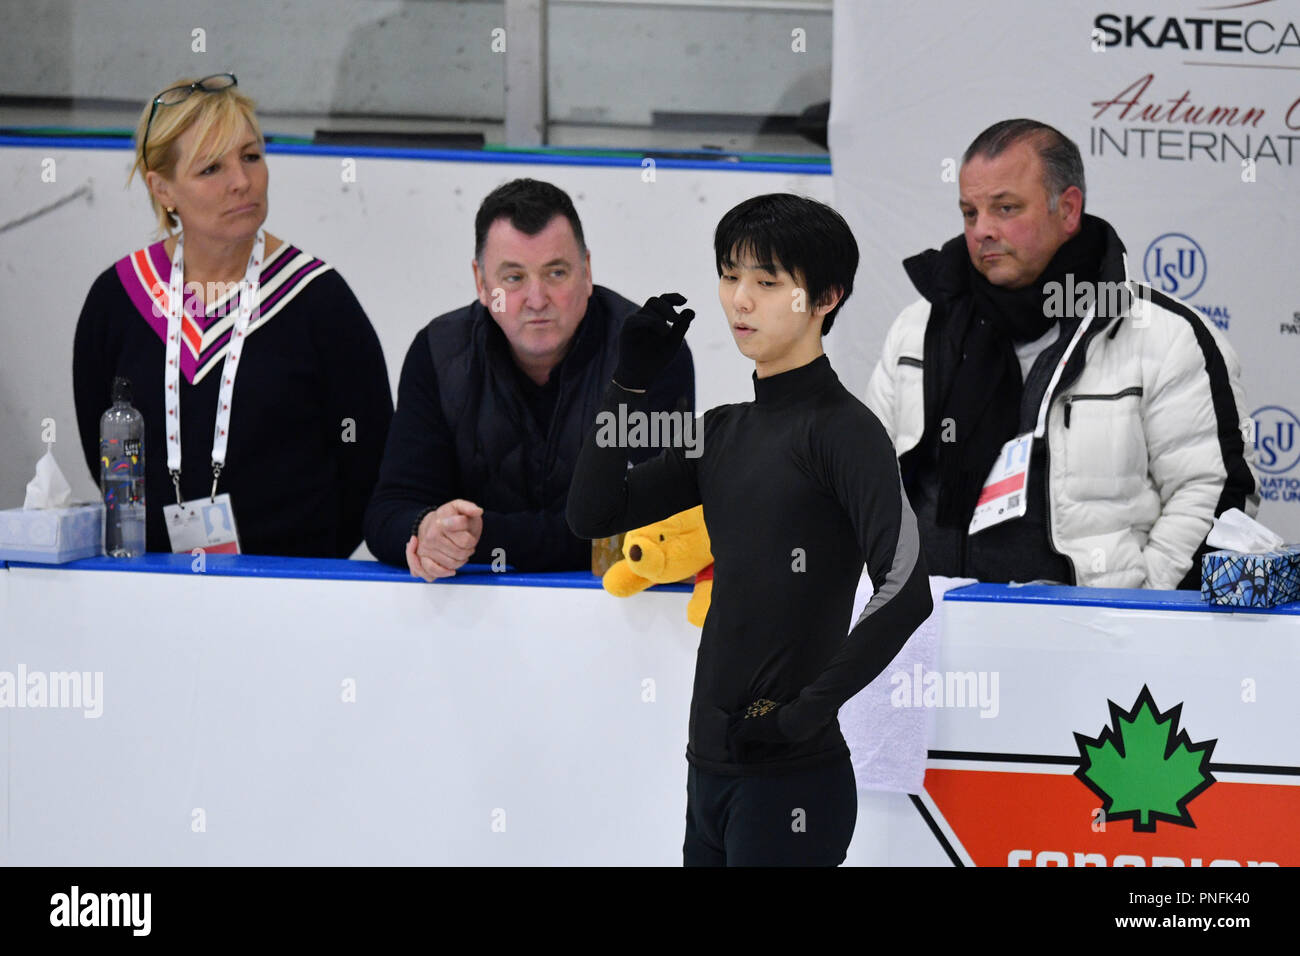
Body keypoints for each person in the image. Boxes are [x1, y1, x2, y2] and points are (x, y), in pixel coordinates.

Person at [567, 194, 932, 866]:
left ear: (824, 297)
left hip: (792, 785)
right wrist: (627, 383)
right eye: (731, 276)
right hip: (709, 774)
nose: (741, 300)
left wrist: (800, 716)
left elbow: (907, 590)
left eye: (767, 283)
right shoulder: (723, 431)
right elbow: (592, 515)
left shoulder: (846, 433)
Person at [864, 119, 1259, 590]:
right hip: (929, 629)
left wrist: (1134, 612)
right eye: (970, 213)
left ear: (1067, 210)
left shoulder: (1164, 335)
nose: (982, 230)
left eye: (1005, 208)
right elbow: (870, 479)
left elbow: (1214, 491)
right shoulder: (919, 328)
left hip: (1091, 639)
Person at [73, 74, 392, 557]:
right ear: (163, 188)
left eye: (251, 156)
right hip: (150, 582)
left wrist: (302, 568)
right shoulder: (117, 299)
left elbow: (368, 460)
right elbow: (107, 456)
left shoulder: (319, 300)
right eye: (210, 169)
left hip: (291, 591)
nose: (242, 182)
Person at [364, 178, 694, 577]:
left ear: (586, 271)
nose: (537, 300)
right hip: (469, 619)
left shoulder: (653, 354)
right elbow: (387, 514)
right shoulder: (437, 353)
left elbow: (649, 528)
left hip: (613, 615)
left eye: (556, 273)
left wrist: (479, 537)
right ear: (481, 283)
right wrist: (427, 531)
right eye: (514, 278)